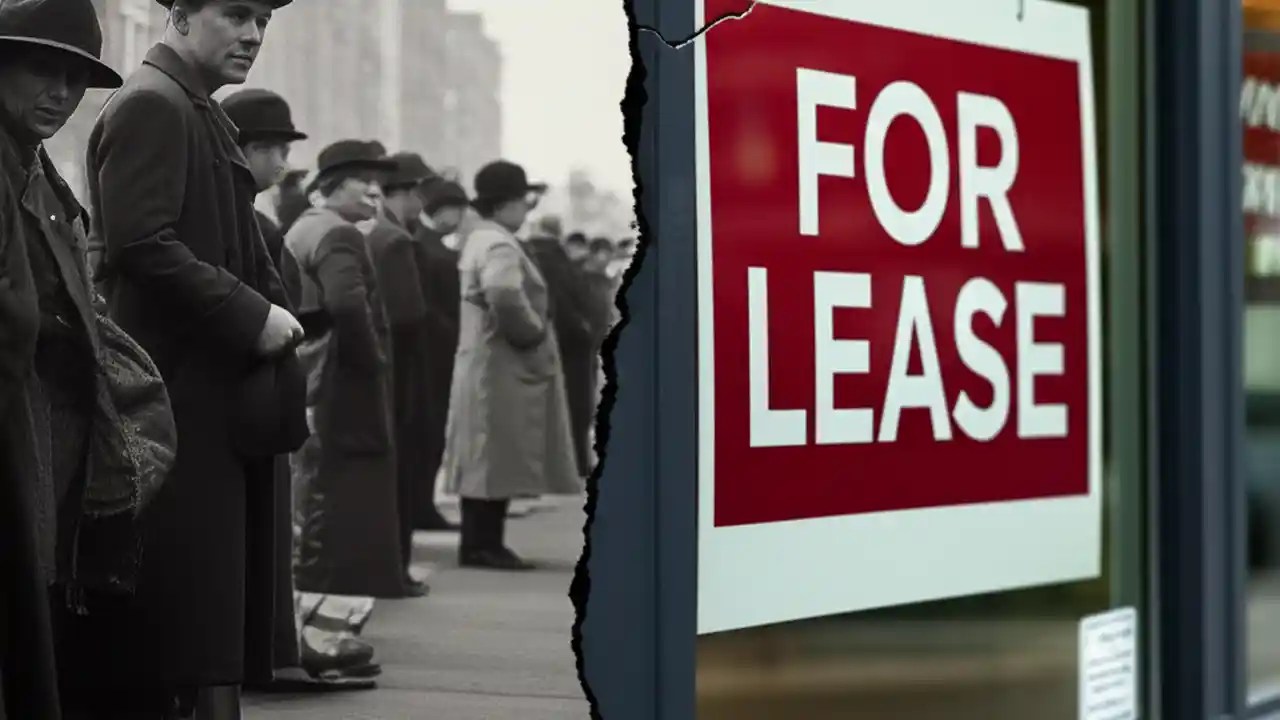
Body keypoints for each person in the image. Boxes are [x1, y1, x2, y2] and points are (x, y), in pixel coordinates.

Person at [83, 0, 306, 717]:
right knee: (182, 622)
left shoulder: (194, 105)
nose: (252, 35)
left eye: (263, 21)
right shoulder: (154, 104)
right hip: (172, 406)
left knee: (207, 617)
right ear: (179, 15)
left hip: (206, 401)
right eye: (236, 15)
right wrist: (252, 317)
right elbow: (139, 243)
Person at [0, 1, 172, 718]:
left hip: (43, 440)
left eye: (75, 77)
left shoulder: (36, 170)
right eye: (44, 68)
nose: (61, 93)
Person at [285, 139, 410, 680]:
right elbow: (346, 305)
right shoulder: (336, 234)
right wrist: (374, 363)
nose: (377, 192)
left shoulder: (305, 226)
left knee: (313, 499)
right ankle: (322, 629)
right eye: (366, 181)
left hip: (315, 379)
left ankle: (310, 625)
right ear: (334, 185)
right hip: (341, 386)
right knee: (334, 507)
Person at [441, 160, 583, 571]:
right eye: (523, 201)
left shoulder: (478, 239)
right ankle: (484, 545)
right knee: (495, 456)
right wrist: (531, 332)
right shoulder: (498, 244)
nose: (527, 210)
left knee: (485, 456)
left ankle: (480, 541)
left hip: (483, 363)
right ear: (505, 205)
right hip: (500, 366)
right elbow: (503, 291)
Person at [365, 151, 433, 597]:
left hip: (382, 370)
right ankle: (398, 570)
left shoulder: (375, 233)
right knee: (401, 474)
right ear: (405, 193)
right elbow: (408, 318)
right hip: (399, 375)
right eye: (419, 192)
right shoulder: (395, 241)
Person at [411, 178, 470, 532]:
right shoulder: (431, 250)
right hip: (436, 353)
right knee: (429, 432)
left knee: (430, 433)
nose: (461, 216)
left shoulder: (428, 245)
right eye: (458, 209)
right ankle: (421, 505)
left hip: (430, 351)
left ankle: (422, 503)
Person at [528, 219, 597, 479]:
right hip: (572, 346)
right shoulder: (559, 262)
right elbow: (570, 303)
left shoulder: (529, 256)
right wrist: (584, 333)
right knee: (577, 407)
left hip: (540, 341)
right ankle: (577, 461)